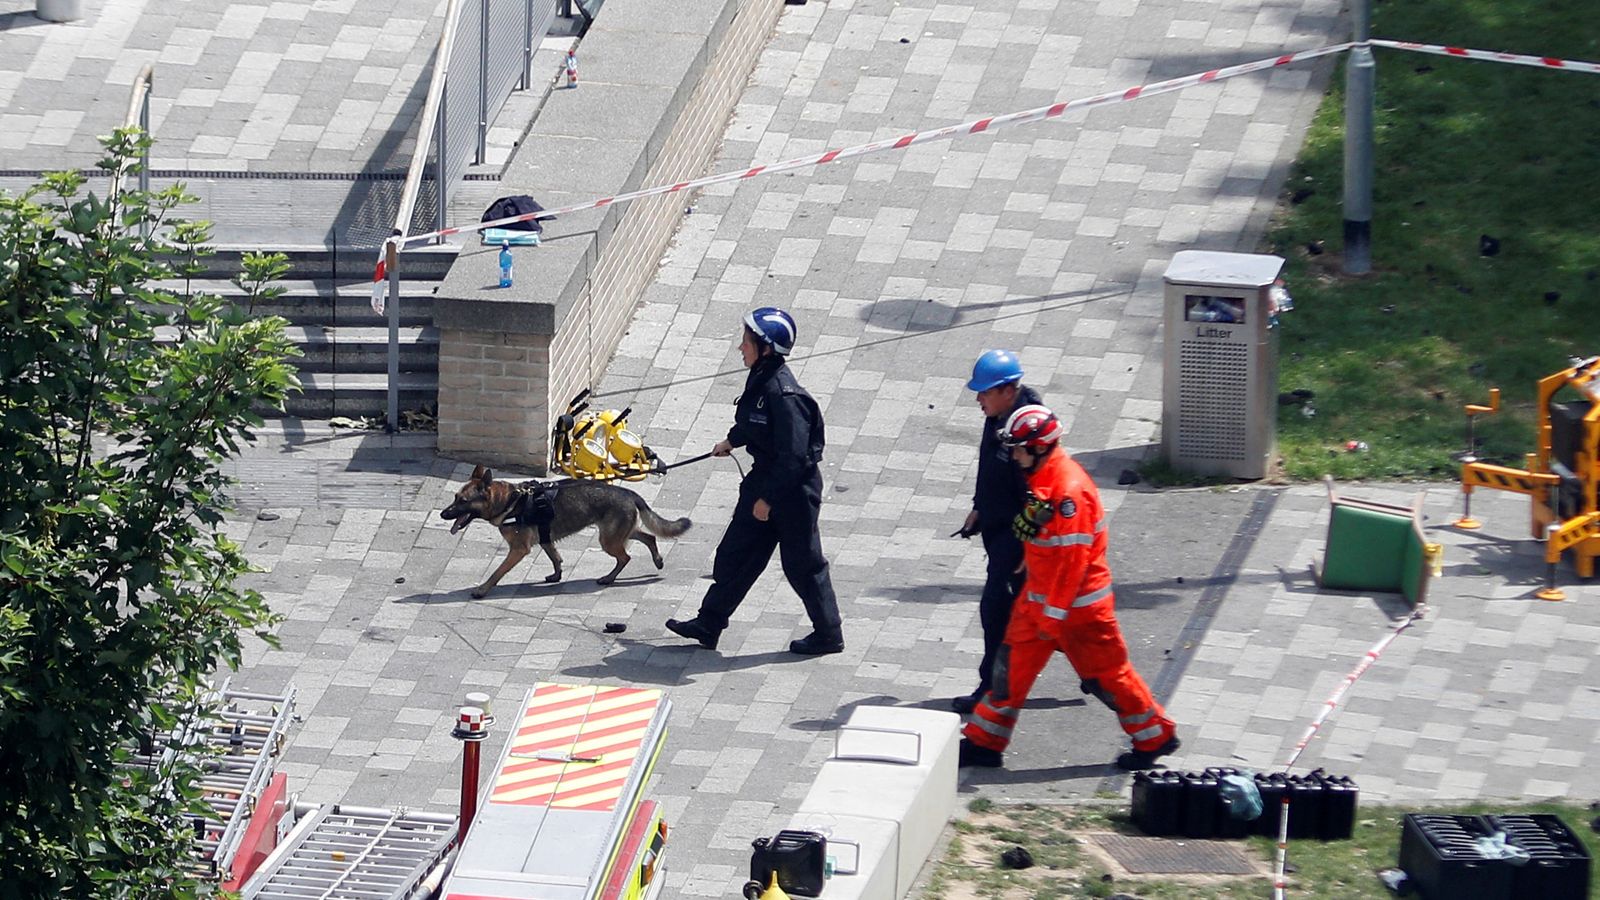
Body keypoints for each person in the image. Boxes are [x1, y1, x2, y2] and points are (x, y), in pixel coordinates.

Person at [958, 404, 1180, 771]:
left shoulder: (1068, 493)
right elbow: (1050, 544)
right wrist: (1030, 565)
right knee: (1008, 669)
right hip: (1041, 602)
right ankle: (985, 741)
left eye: (1018, 449)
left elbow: (1073, 564)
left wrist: (1052, 616)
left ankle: (1155, 735)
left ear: (1039, 447)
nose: (1014, 455)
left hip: (1079, 612)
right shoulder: (1046, 477)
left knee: (1108, 678)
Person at [665, 307, 844, 655]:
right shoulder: (761, 378)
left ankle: (828, 634)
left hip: (792, 493)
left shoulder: (785, 395)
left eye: (746, 342)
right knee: (736, 553)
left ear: (765, 348)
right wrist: (732, 440)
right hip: (764, 480)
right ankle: (709, 622)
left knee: (802, 566)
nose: (740, 348)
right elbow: (754, 420)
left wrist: (769, 500)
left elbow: (794, 457)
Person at [949, 350, 1041, 715]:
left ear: (1007, 390)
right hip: (997, 526)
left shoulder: (1028, 430)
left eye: (984, 392)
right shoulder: (996, 416)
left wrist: (1023, 550)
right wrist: (978, 507)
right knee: (1048, 616)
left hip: (1015, 541)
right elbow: (990, 467)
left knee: (995, 612)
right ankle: (1090, 665)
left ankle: (990, 688)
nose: (977, 399)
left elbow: (1038, 498)